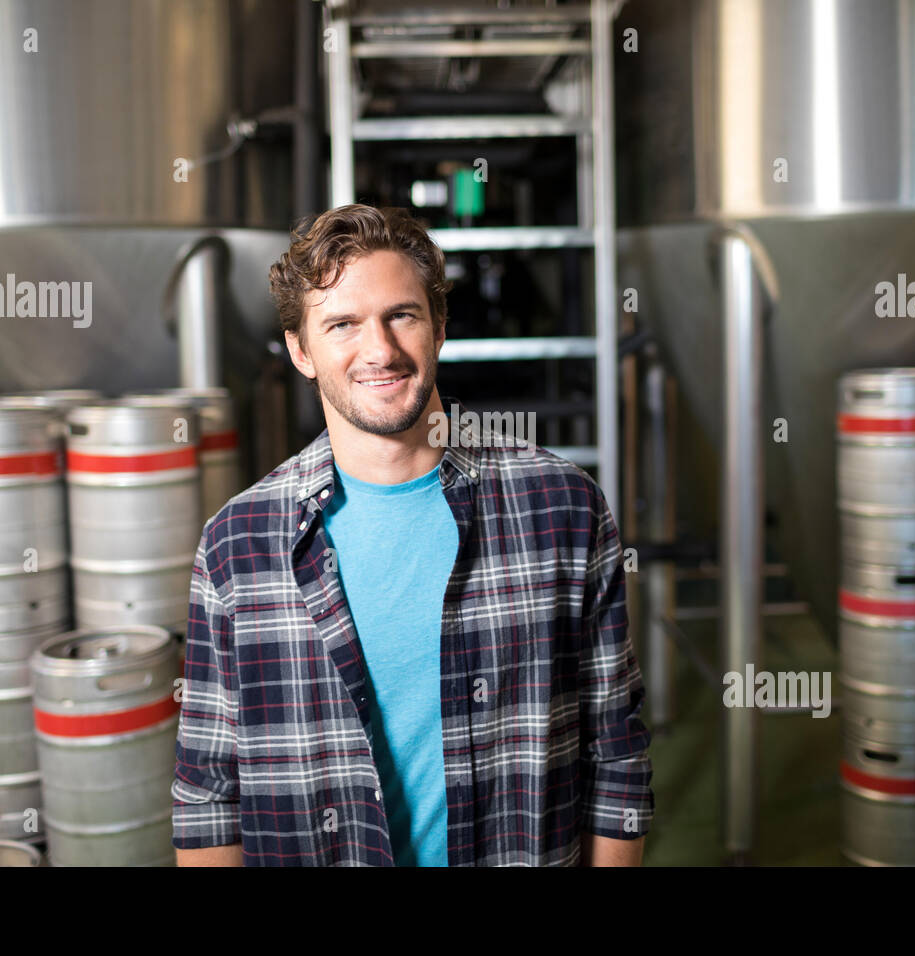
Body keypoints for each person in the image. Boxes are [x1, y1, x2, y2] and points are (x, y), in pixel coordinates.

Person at [172, 203, 654, 866]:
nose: (381, 350)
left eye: (401, 315)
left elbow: (617, 750)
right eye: (342, 324)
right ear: (301, 351)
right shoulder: (239, 544)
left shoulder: (561, 507)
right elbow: (207, 795)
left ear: (439, 327)